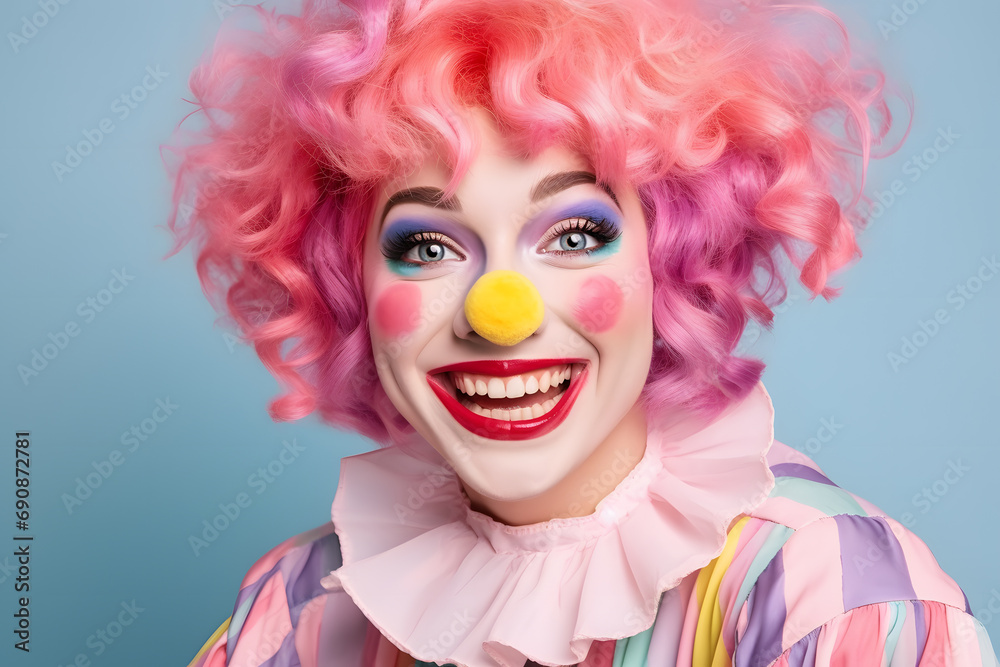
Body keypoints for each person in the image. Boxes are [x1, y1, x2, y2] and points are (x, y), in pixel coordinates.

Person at [165, 0, 1000, 665]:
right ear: (349, 280)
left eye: (573, 236)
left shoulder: (829, 604)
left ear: (669, 259)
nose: (502, 312)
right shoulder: (297, 616)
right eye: (427, 244)